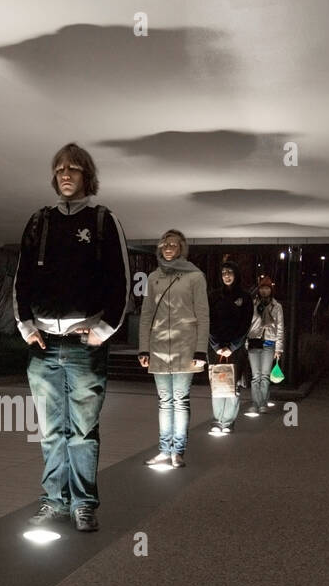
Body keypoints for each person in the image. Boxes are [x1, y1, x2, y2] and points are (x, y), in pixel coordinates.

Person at [12, 143, 130, 531]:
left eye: (75, 169)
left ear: (87, 177)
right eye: (61, 169)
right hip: (43, 344)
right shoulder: (38, 221)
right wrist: (25, 325)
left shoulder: (101, 220)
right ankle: (53, 501)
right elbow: (22, 278)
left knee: (82, 430)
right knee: (50, 431)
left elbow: (121, 282)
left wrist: (105, 329)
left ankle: (84, 504)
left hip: (84, 345)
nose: (66, 174)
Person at [137, 229, 208, 467]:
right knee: (164, 401)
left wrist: (200, 350)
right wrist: (143, 348)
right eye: (165, 244)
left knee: (180, 399)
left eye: (174, 244)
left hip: (186, 345)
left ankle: (178, 450)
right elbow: (146, 314)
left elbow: (203, 314)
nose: (168, 247)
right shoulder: (154, 277)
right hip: (158, 346)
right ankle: (164, 449)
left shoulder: (195, 276)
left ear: (182, 248)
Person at [207, 260, 253, 435]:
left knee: (233, 386)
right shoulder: (213, 296)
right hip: (215, 347)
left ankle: (228, 421)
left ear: (236, 274)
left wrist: (233, 346)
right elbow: (208, 321)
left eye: (230, 272)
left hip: (236, 348)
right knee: (218, 384)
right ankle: (217, 420)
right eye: (224, 272)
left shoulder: (245, 297)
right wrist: (216, 345)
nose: (226, 276)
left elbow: (245, 324)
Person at [244, 275, 285, 415]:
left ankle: (262, 403)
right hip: (254, 341)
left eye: (267, 288)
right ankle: (256, 403)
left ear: (271, 290)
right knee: (256, 376)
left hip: (269, 342)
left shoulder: (276, 306)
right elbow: (247, 324)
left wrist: (279, 348)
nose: (264, 291)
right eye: (262, 288)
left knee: (265, 375)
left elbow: (280, 327)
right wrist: (245, 342)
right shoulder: (253, 304)